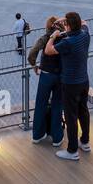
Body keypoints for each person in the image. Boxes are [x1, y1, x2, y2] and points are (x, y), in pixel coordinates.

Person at [47, 12, 91, 160]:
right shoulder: (85, 35)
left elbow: (49, 50)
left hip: (70, 83)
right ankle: (85, 142)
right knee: (83, 111)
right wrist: (66, 21)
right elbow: (85, 22)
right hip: (84, 80)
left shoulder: (67, 42)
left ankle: (72, 151)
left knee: (71, 116)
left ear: (69, 25)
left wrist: (54, 35)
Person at [27, 16, 65, 146]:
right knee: (57, 105)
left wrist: (34, 66)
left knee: (40, 104)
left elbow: (32, 53)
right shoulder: (65, 38)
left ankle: (37, 135)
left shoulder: (45, 38)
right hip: (60, 76)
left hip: (46, 75)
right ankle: (57, 137)